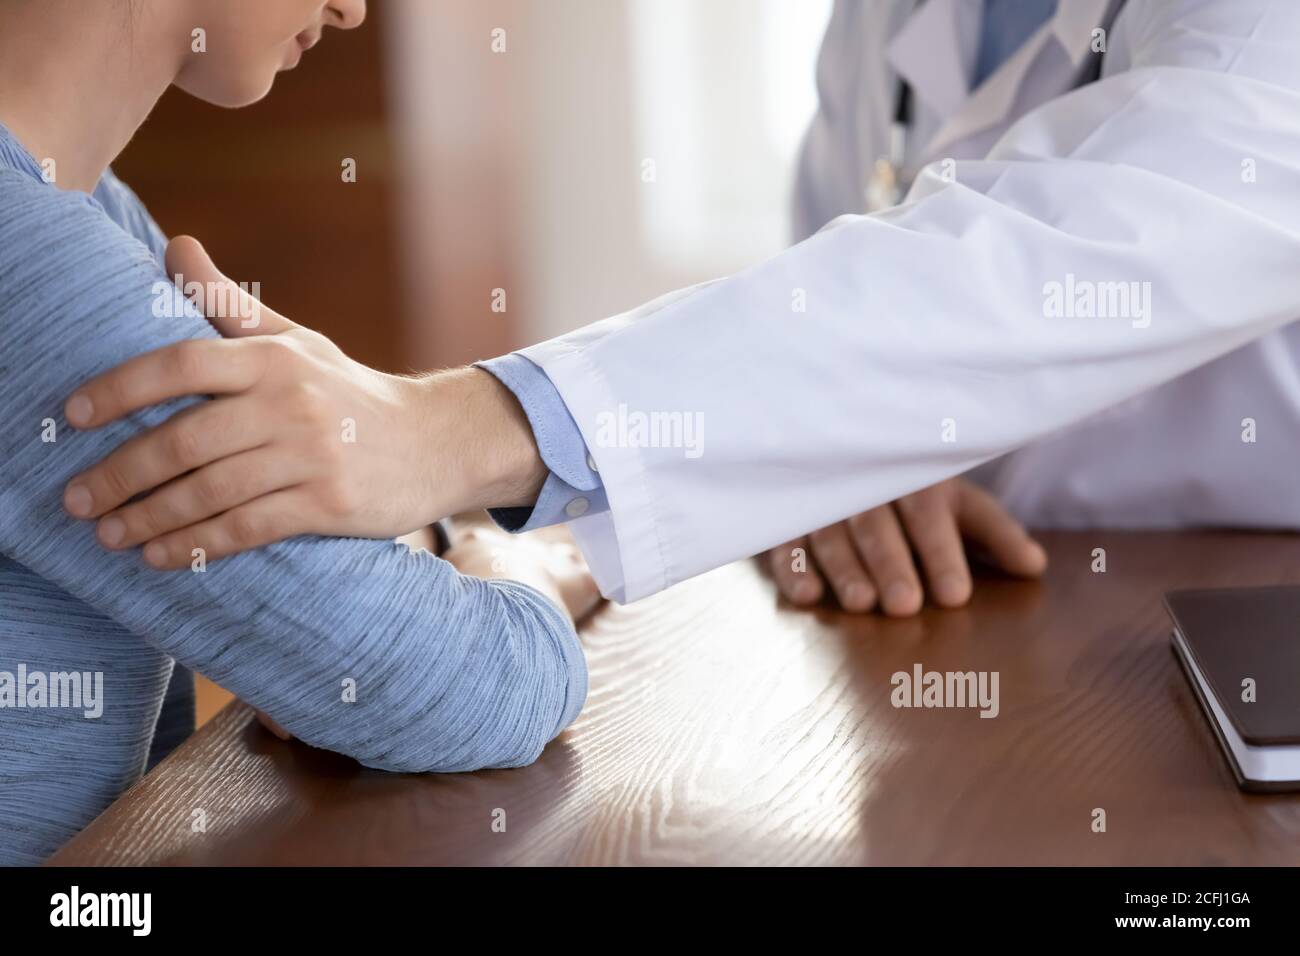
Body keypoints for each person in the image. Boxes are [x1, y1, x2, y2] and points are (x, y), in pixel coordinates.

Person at [75, 0, 1300, 616]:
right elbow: (858, 281)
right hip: (964, 622)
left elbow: (1052, 253)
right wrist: (849, 452)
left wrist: (457, 429)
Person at [0, 0, 597, 866]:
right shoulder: (34, 264)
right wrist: (514, 561)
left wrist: (385, 564)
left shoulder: (96, 215)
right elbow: (469, 685)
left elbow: (337, 624)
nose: (352, 9)